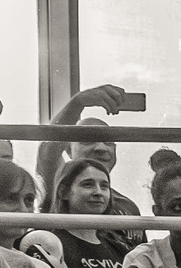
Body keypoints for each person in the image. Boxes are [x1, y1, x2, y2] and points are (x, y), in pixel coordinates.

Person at [35, 85, 146, 244]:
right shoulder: (59, 187)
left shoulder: (128, 206)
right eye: (88, 140)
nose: (101, 148)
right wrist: (77, 102)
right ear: (68, 148)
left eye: (108, 142)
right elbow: (48, 149)